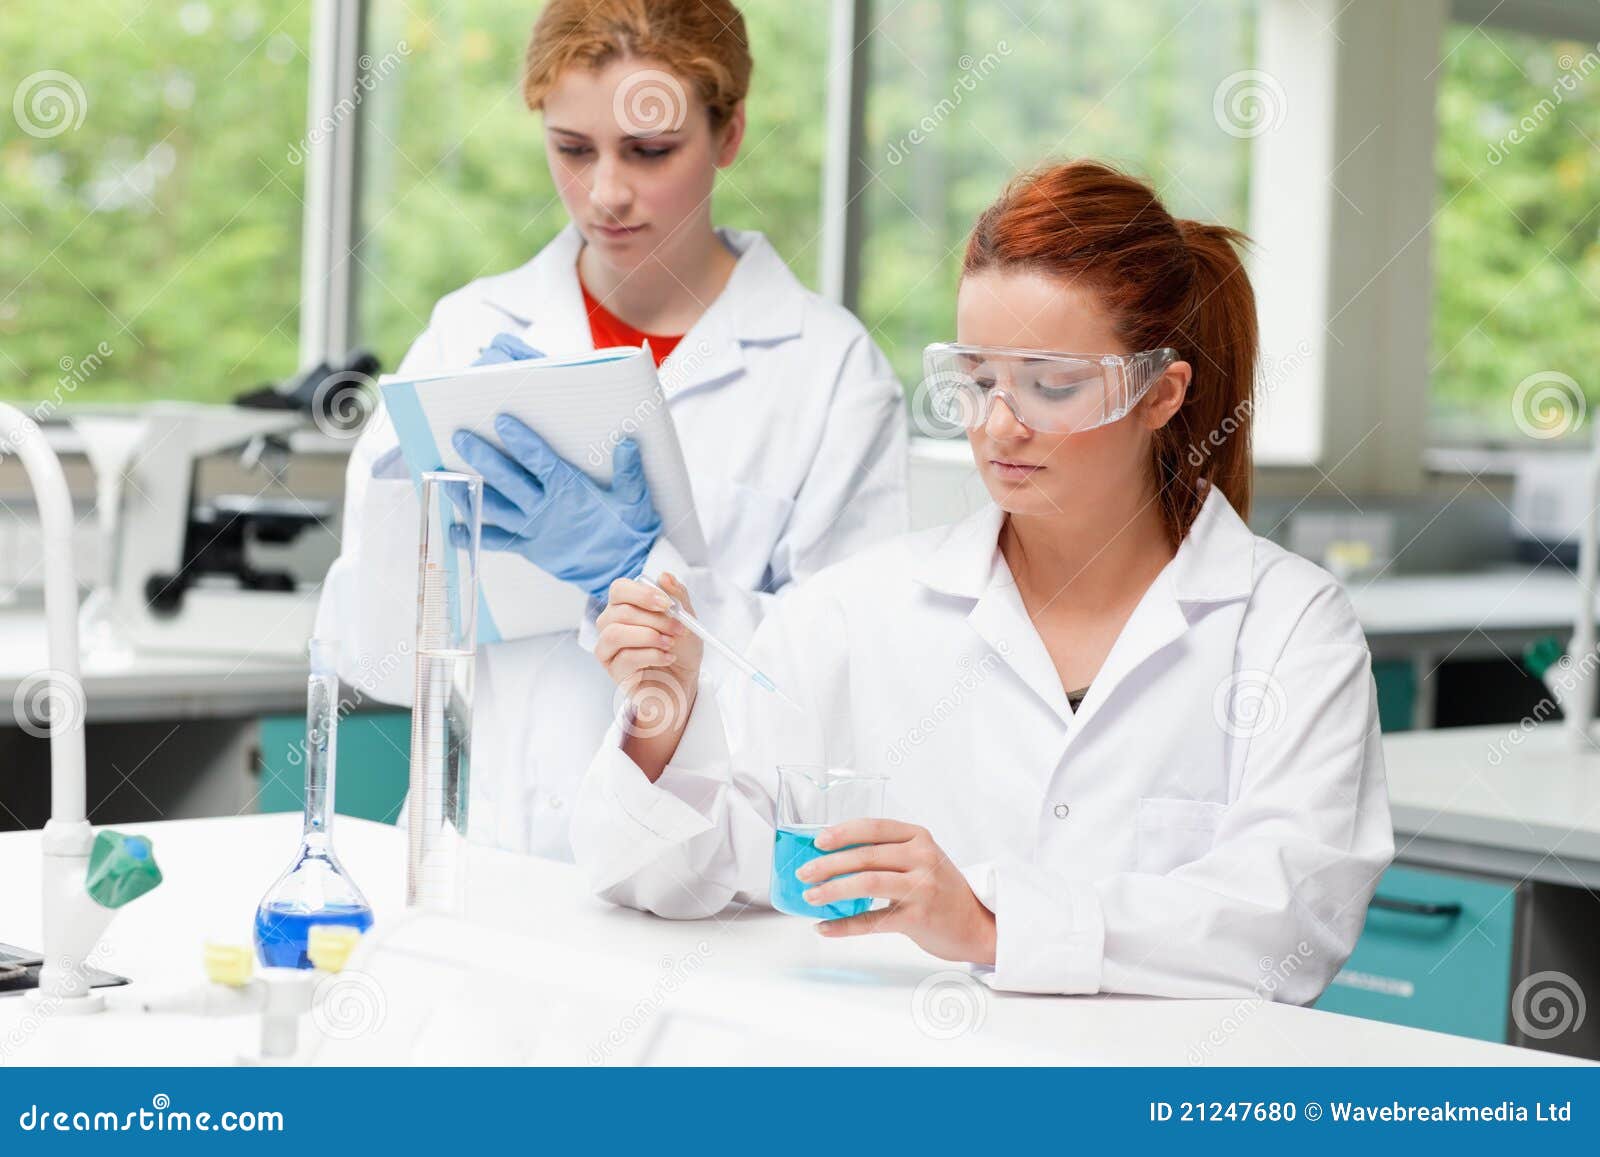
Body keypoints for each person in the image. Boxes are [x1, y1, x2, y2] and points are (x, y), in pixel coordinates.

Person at [571, 160, 1393, 1001]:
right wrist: (661, 717)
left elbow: (1294, 920)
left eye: (1052, 384)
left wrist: (992, 924)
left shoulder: (1288, 627)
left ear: (1160, 394)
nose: (1000, 424)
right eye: (977, 380)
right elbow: (666, 873)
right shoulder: (854, 612)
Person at [317, 0, 908, 859]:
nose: (605, 194)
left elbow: (845, 703)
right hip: (487, 867)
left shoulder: (830, 374)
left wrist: (637, 571)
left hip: (701, 877)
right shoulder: (466, 332)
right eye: (572, 148)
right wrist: (406, 524)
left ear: (730, 133)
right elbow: (369, 664)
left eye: (650, 151)